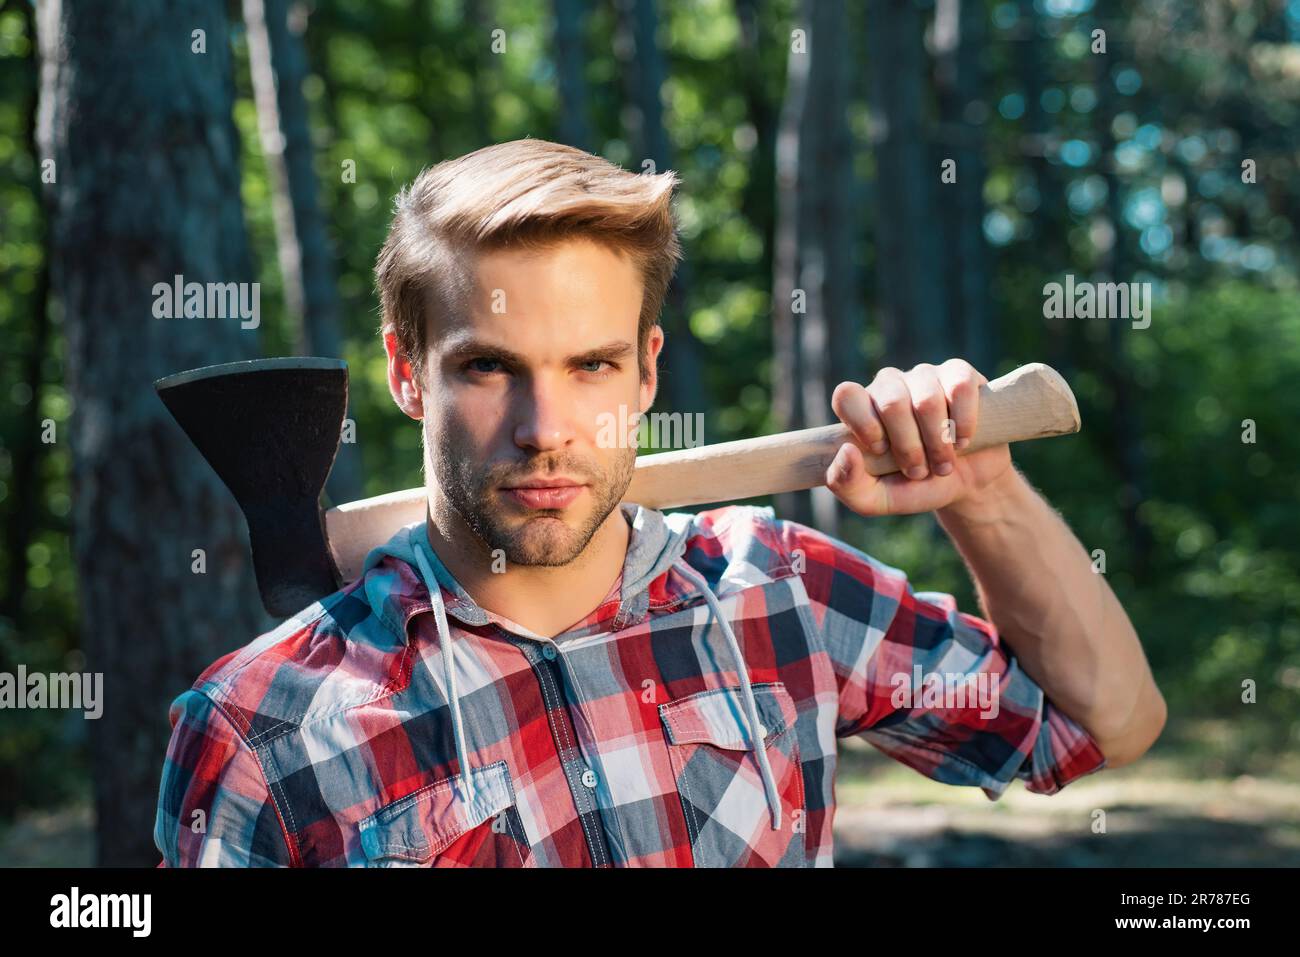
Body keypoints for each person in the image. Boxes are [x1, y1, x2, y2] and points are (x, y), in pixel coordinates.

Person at [153, 138, 1165, 867]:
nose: (545, 425)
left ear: (644, 373)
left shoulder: (780, 593)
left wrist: (981, 493)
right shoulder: (257, 726)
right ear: (408, 373)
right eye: (490, 368)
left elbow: (1099, 725)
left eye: (589, 364)